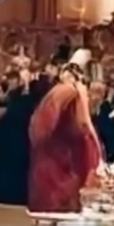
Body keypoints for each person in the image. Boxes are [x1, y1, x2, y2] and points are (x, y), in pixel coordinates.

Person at [27, 68, 101, 214]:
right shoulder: (72, 94)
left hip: (45, 166)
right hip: (62, 171)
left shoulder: (54, 95)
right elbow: (83, 125)